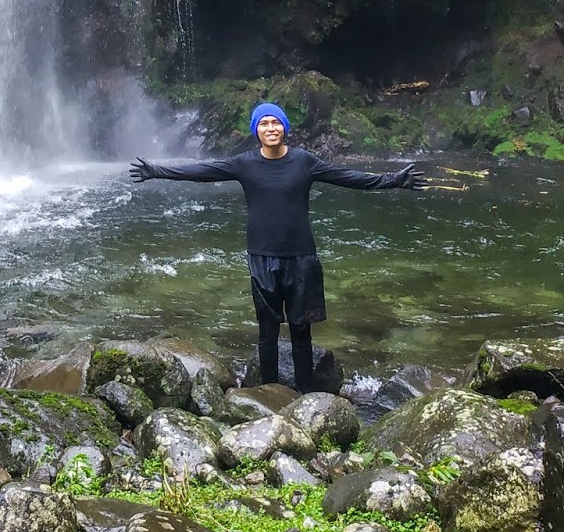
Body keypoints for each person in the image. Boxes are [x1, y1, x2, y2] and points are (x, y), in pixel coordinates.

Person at [129, 102, 425, 393]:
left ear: (285, 127)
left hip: (302, 258)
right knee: (267, 328)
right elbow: (202, 171)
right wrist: (157, 170)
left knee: (301, 328)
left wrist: (392, 180)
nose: (270, 128)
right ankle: (269, 391)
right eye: (263, 123)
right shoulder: (243, 163)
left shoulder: (304, 162)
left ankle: (305, 391)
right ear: (256, 131)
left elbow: (346, 177)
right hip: (262, 257)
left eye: (275, 122)